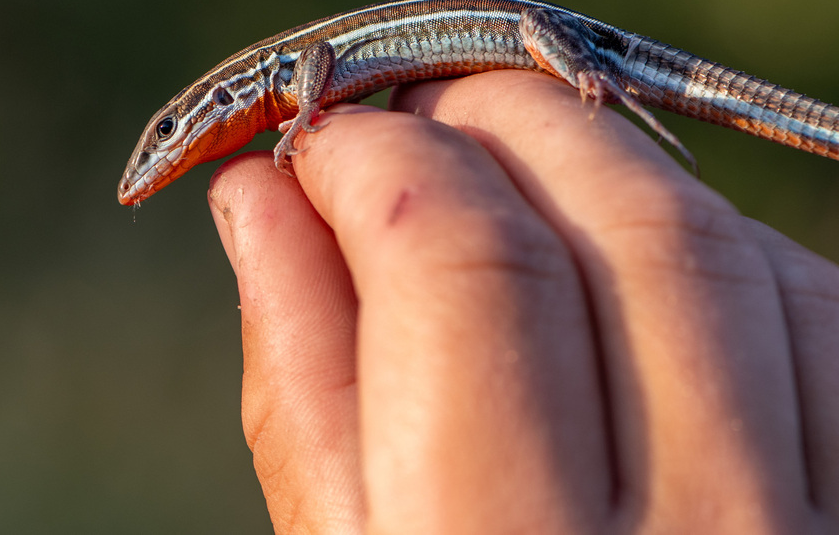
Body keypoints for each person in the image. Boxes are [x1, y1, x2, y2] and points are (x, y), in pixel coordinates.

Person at [207, 69, 839, 534]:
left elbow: (315, 58)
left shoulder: (293, 67)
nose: (159, 156)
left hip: (534, 29)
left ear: (220, 96)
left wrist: (305, 111)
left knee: (650, 82)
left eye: (170, 129)